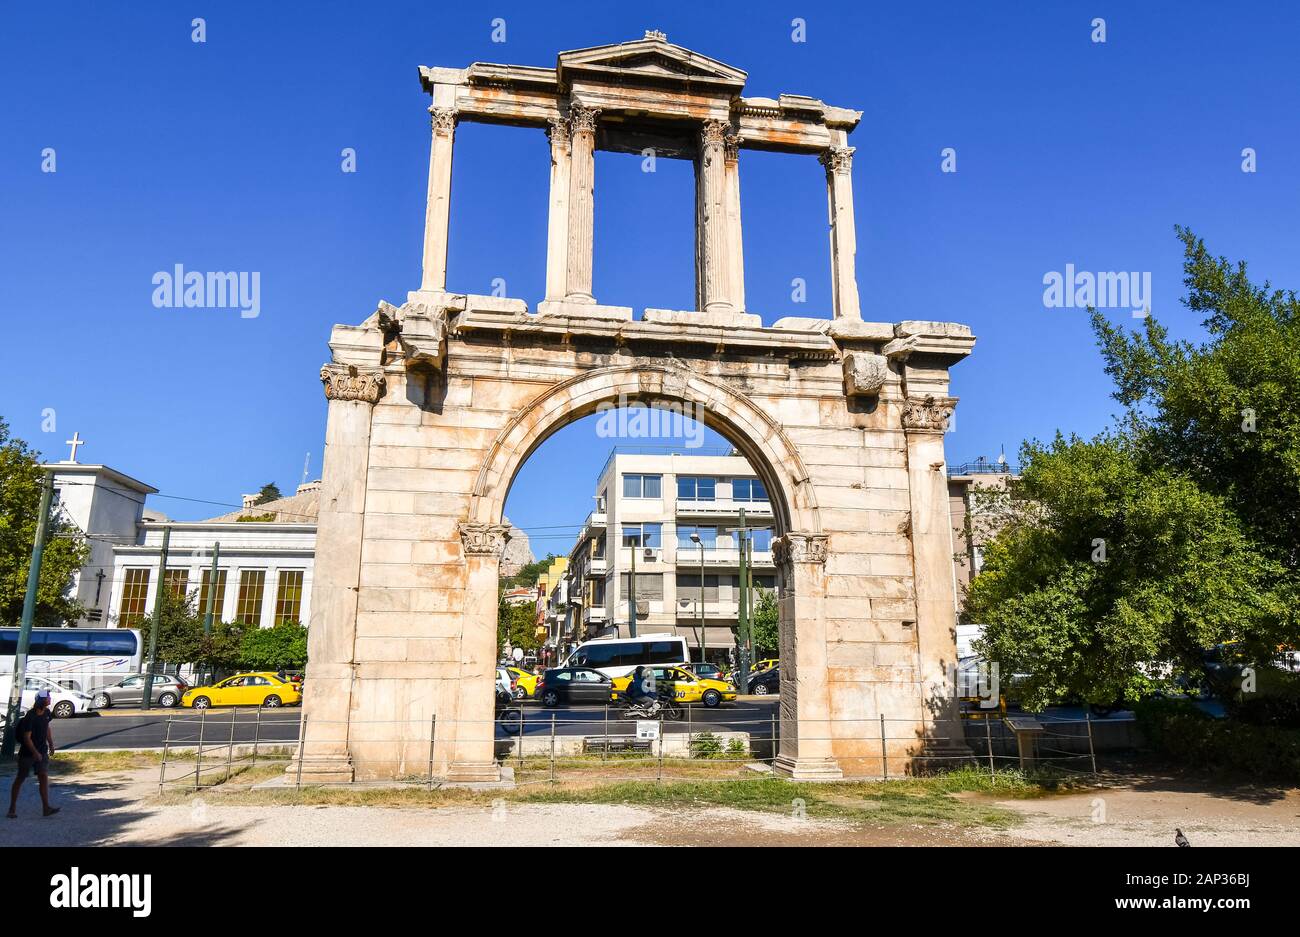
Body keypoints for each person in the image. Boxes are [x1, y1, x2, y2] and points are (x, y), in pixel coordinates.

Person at [7, 691, 59, 819]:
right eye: (48, 697)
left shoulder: (47, 713)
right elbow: (26, 738)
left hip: (42, 751)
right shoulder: (30, 716)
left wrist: (51, 744)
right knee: (20, 778)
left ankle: (46, 808)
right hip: (27, 754)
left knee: (43, 776)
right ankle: (12, 808)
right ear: (42, 700)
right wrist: (35, 753)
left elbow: (47, 728)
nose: (50, 698)